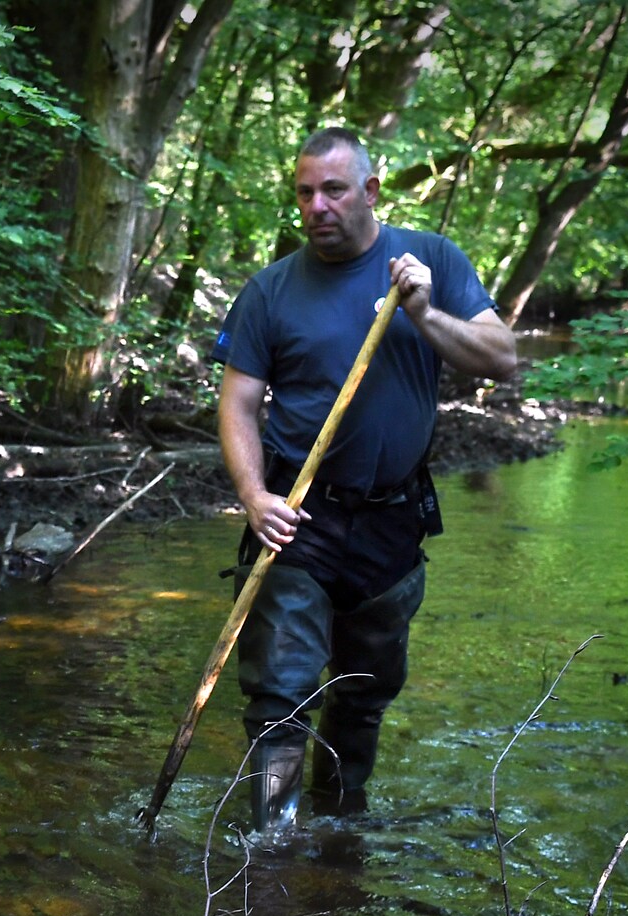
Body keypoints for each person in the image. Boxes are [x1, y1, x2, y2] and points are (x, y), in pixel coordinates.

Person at [213, 126, 519, 829]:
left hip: (393, 518)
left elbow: (501, 358)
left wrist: (422, 311)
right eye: (304, 192)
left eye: (333, 189)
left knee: (364, 691)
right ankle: (274, 842)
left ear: (372, 190)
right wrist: (254, 497)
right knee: (281, 691)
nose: (316, 205)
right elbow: (237, 401)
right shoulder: (272, 290)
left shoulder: (431, 262)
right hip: (300, 513)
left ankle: (341, 829)